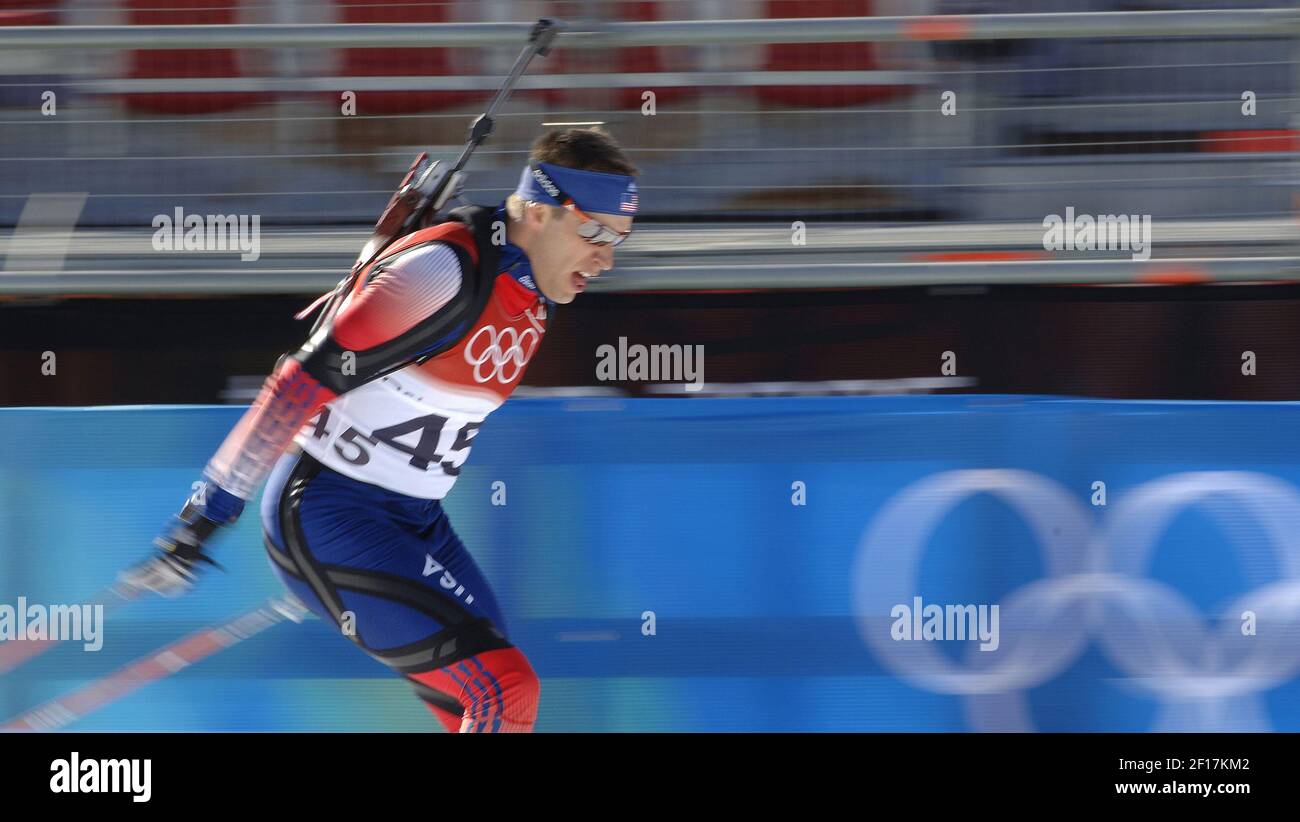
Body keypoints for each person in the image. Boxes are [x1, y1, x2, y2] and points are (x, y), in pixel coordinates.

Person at [122, 127, 640, 733]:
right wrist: (204, 517)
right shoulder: (443, 274)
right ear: (538, 209)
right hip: (329, 514)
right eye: (594, 232)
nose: (606, 257)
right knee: (505, 688)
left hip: (415, 521)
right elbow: (296, 383)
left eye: (619, 239)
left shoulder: (533, 286)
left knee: (489, 704)